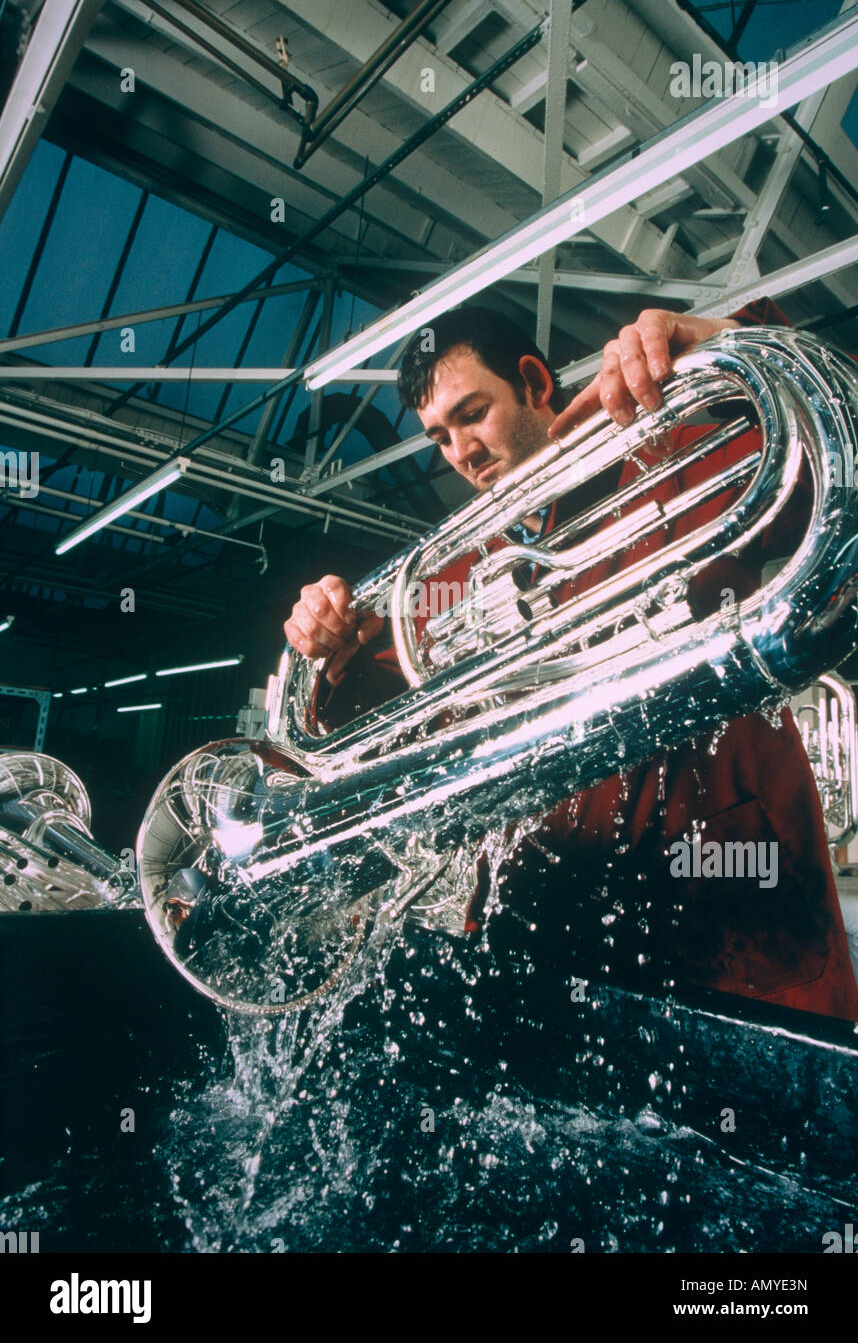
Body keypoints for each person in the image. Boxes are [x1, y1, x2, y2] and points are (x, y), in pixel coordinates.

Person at [284, 304, 858, 1023]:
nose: (460, 449)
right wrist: (333, 648)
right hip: (554, 911)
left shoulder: (669, 454)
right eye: (440, 436)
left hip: (717, 884)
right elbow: (398, 726)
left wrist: (739, 344)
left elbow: (838, 458)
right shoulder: (460, 571)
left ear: (532, 381)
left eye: (473, 413)